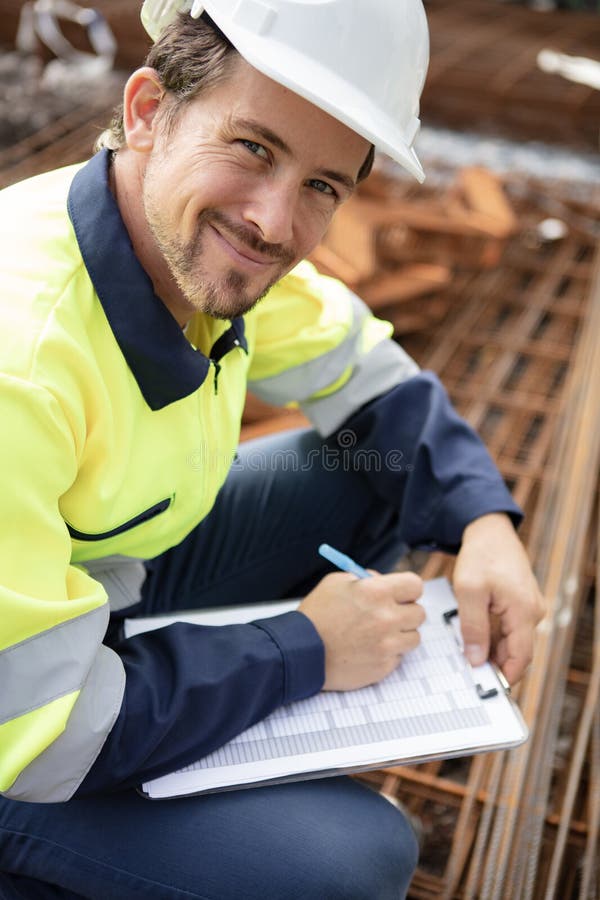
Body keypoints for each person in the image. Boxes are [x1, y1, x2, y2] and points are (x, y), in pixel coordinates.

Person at [0, 1, 544, 897]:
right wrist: (302, 648)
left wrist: (483, 520)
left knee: (368, 471)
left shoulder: (186, 244)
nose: (273, 223)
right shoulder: (25, 362)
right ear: (147, 112)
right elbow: (42, 728)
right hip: (21, 727)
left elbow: (367, 369)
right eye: (252, 148)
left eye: (322, 186)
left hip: (100, 591)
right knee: (353, 864)